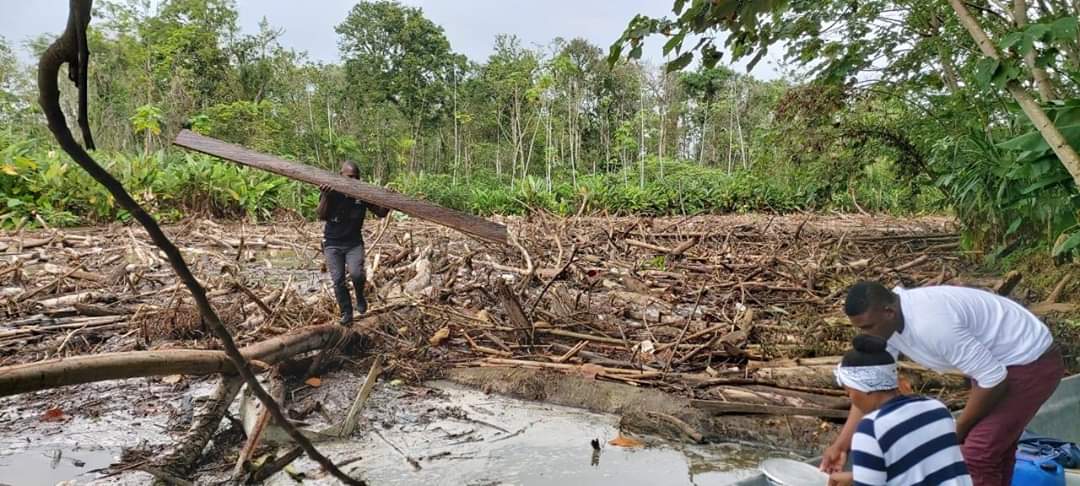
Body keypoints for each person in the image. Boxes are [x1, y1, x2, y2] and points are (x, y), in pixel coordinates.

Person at [821, 281, 1064, 486]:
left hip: (1029, 361)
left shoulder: (931, 324)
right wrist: (842, 445)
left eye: (867, 327)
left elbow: (994, 379)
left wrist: (955, 433)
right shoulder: (886, 327)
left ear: (888, 312)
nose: (866, 335)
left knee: (978, 452)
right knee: (996, 447)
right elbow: (868, 387)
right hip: (992, 365)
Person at [827, 334, 972, 486]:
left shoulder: (871, 428)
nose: (852, 399)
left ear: (863, 388)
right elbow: (916, 469)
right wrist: (854, 478)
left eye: (849, 392)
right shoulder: (936, 407)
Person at [317, 161, 389, 326]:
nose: (352, 180)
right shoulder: (330, 191)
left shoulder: (362, 195)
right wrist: (326, 196)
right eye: (349, 176)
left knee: (357, 273)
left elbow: (380, 213)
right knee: (338, 280)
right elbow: (321, 215)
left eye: (356, 177)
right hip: (332, 243)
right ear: (340, 175)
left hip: (353, 243)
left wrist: (390, 199)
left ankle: (360, 295)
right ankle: (346, 313)